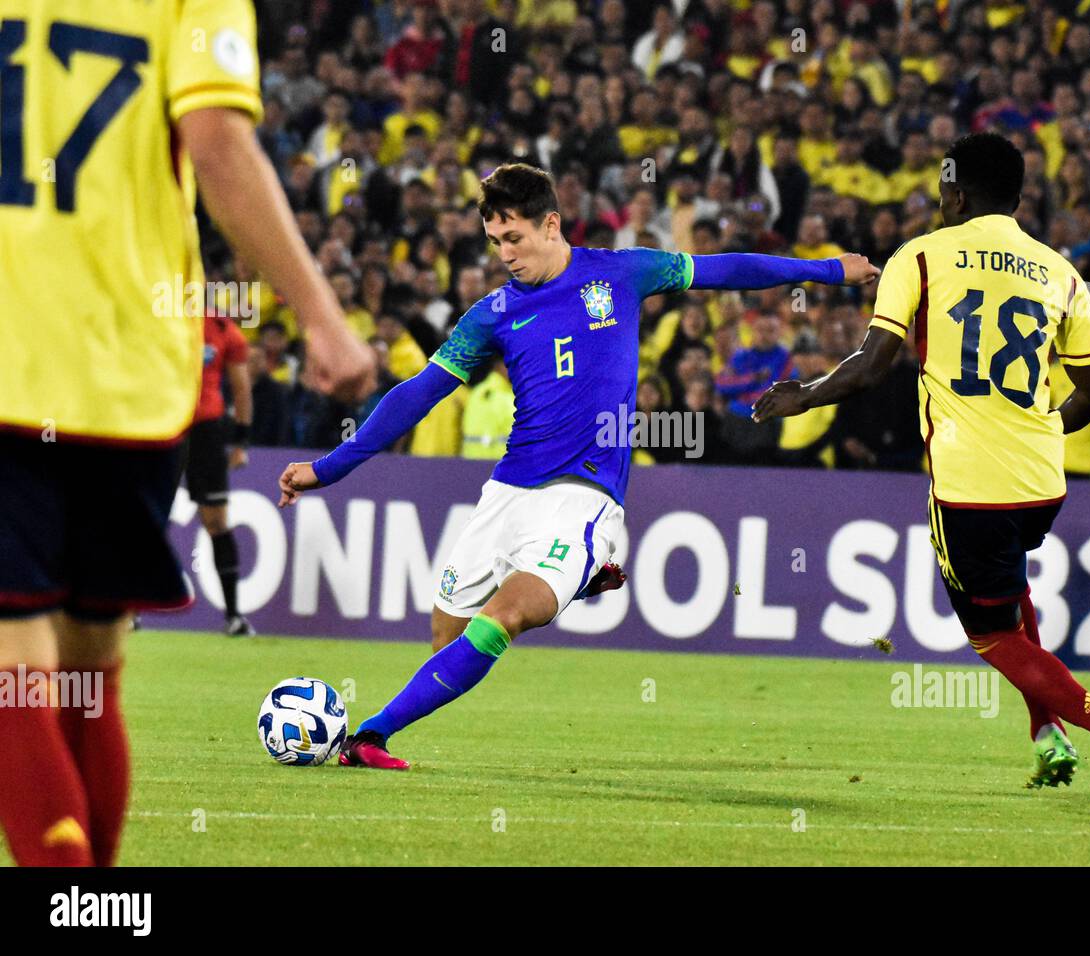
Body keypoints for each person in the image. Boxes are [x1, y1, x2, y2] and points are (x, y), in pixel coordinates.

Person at [276, 162, 879, 769]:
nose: (505, 254)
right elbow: (417, 392)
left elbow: (726, 270)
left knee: (504, 617)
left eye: (514, 238)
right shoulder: (494, 312)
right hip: (508, 491)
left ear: (551, 224)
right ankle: (580, 583)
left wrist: (828, 270)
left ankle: (369, 738)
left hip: (582, 496)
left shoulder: (621, 272)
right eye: (494, 243)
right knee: (446, 637)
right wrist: (329, 468)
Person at [0, 0, 373, 867]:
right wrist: (320, 315)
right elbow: (216, 144)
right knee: (92, 680)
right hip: (129, 379)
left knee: (17, 673)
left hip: (13, 363)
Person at [753, 133, 1090, 809]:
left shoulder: (921, 256)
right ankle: (1047, 735)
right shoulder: (1060, 272)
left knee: (992, 637)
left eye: (942, 189)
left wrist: (803, 394)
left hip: (967, 486)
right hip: (1043, 483)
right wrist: (1040, 429)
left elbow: (873, 366)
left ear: (955, 192)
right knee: (1010, 589)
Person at [184, 313, 255, 636]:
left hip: (205, 433)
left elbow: (241, 389)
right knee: (147, 521)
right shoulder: (157, 316)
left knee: (216, 522)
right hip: (161, 426)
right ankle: (128, 612)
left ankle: (233, 615)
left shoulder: (225, 330)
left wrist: (240, 441)